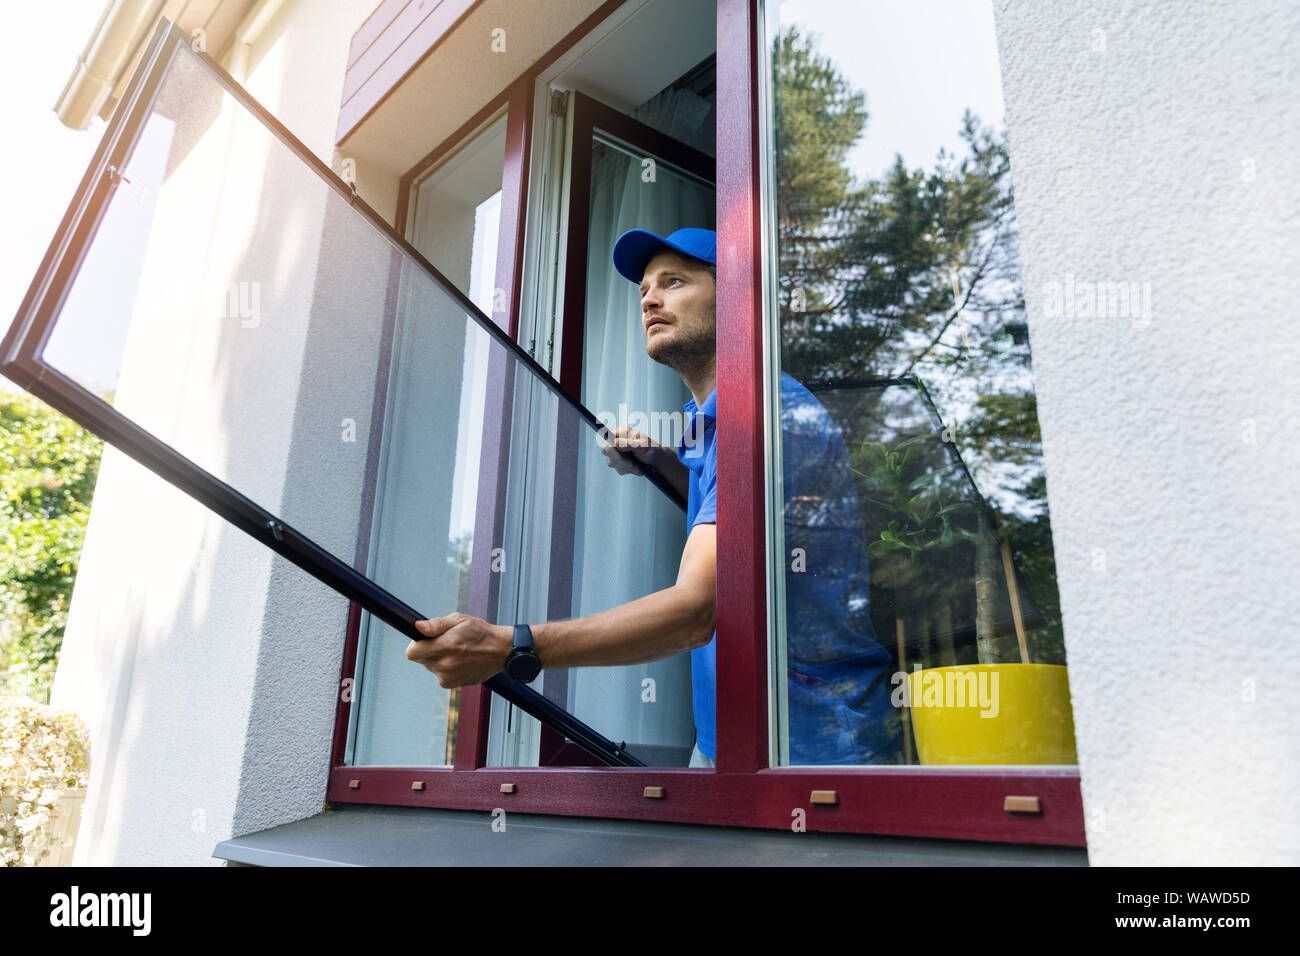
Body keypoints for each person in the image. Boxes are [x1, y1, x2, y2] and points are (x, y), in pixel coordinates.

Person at [406, 227, 900, 766]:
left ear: (735, 300)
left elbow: (694, 611)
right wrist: (666, 464)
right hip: (729, 744)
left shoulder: (763, 419)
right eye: (644, 289)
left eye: (673, 282)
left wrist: (511, 645)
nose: (649, 299)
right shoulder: (709, 421)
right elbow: (747, 524)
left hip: (814, 754)